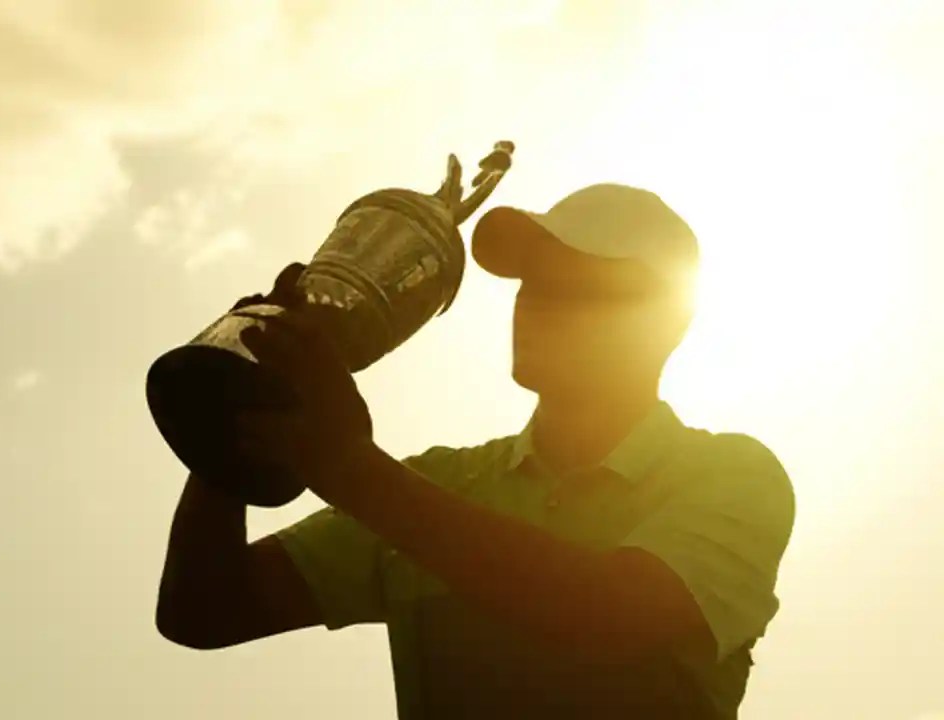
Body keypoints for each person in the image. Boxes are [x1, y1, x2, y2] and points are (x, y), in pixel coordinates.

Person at [155, 183, 796, 719]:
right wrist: (240, 402)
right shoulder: (440, 483)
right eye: (532, 283)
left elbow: (607, 614)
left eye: (576, 286)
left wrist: (346, 468)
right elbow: (203, 608)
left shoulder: (732, 474)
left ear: (662, 321)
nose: (537, 305)